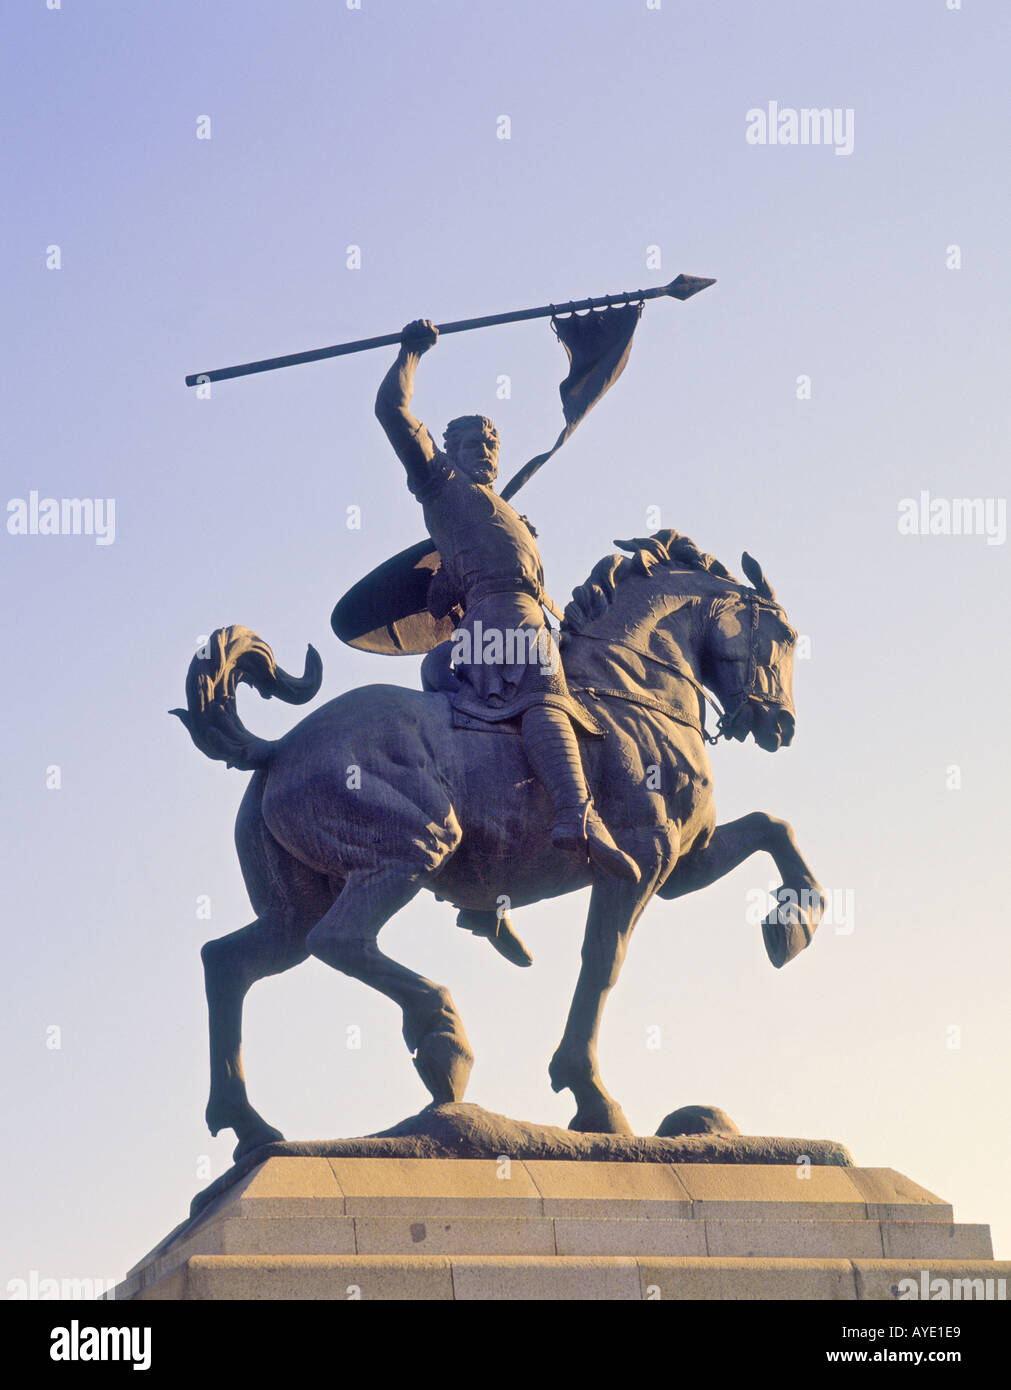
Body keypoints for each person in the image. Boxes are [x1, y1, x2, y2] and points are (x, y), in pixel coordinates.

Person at [374, 319, 640, 948]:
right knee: (546, 694)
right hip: (501, 622)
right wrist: (411, 352)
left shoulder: (509, 514)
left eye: (493, 441)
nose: (487, 450)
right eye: (473, 442)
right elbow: (392, 410)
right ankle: (577, 815)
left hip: (519, 617)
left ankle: (489, 897)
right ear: (449, 449)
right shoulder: (441, 487)